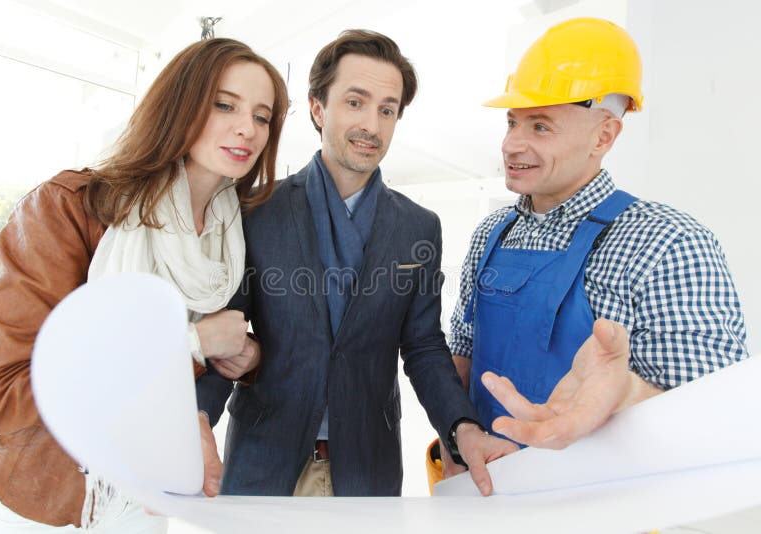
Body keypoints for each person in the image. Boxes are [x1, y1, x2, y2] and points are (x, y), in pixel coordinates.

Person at [0, 38, 288, 531]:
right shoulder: (70, 207)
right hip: (48, 501)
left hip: (147, 493)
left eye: (262, 117)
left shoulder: (231, 232)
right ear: (180, 104)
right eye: (224, 104)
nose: (247, 128)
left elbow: (219, 351)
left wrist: (245, 358)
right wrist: (190, 344)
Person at [196, 29, 517, 498]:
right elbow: (227, 333)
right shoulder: (254, 210)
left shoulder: (418, 227)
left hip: (368, 467)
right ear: (317, 108)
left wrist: (461, 427)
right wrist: (199, 418)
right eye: (355, 102)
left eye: (387, 109)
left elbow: (424, 346)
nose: (373, 124)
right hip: (264, 460)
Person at [438, 17, 747, 477]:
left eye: (540, 126)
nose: (512, 144)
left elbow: (713, 415)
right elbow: (462, 352)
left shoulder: (668, 243)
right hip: (483, 496)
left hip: (601, 507)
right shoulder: (491, 233)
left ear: (603, 136)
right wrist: (456, 435)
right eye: (512, 121)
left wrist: (624, 392)